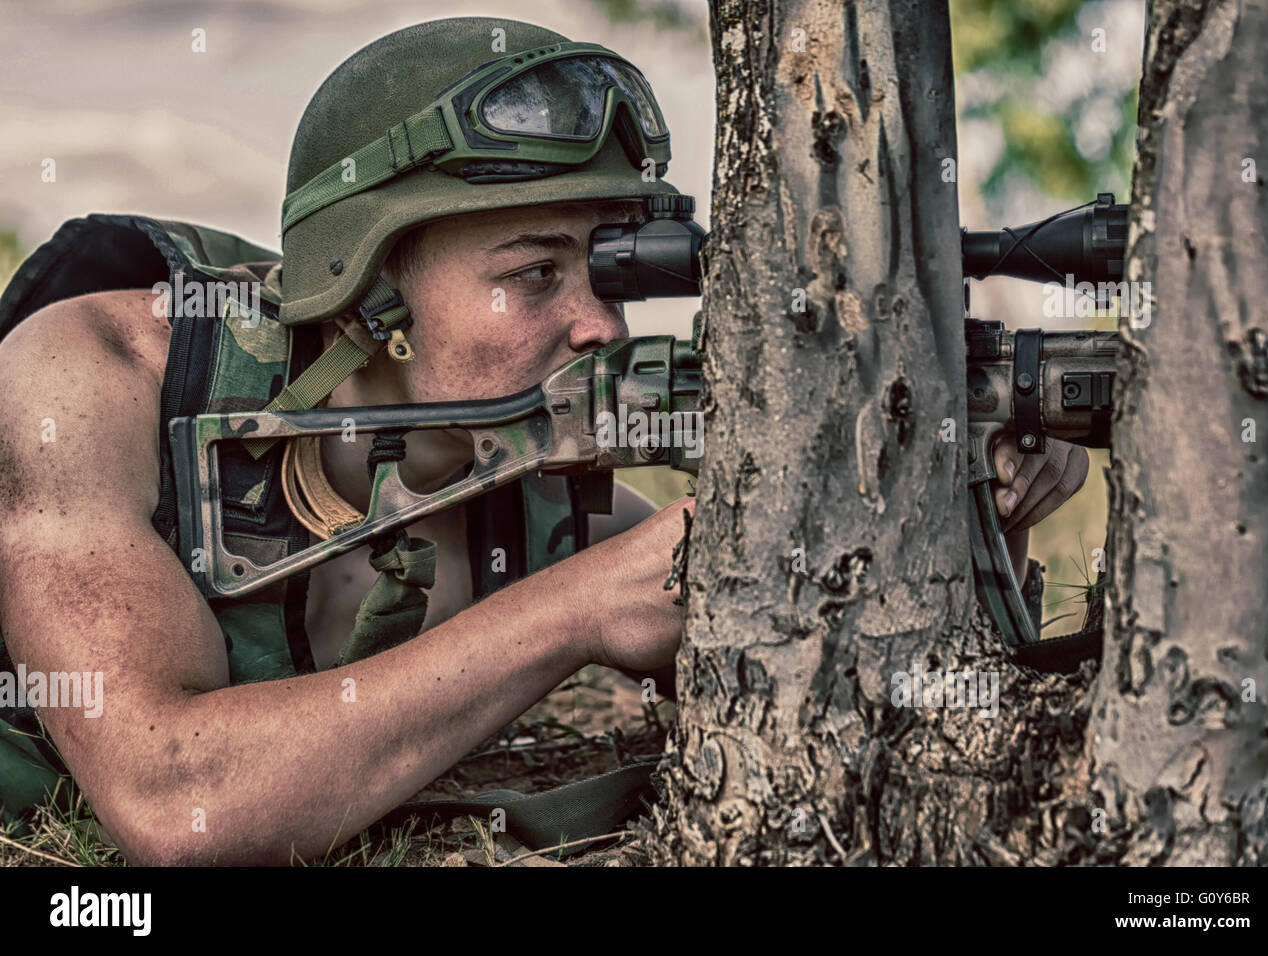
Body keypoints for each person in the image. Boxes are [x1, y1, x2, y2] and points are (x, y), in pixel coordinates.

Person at [0, 18, 1085, 864]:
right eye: (533, 275)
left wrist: (968, 517)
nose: (601, 324)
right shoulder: (98, 376)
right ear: (366, 291)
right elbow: (170, 800)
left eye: (612, 270)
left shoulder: (544, 492)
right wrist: (574, 611)